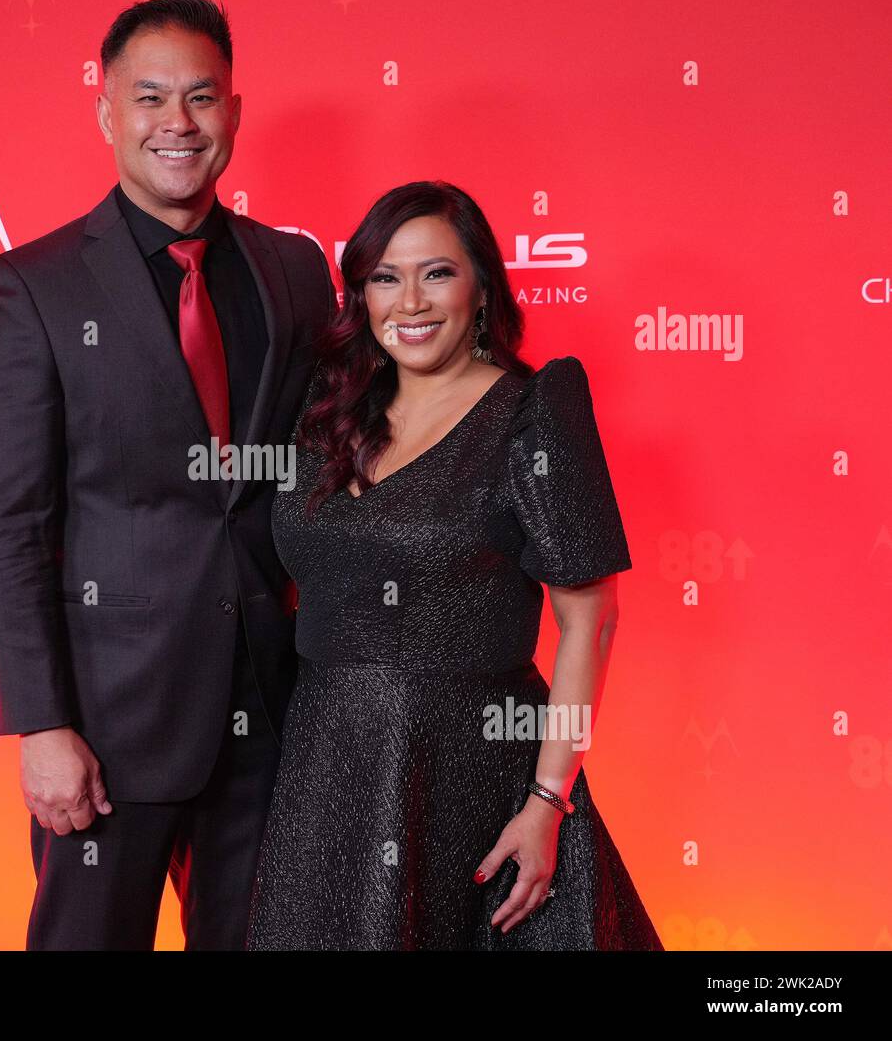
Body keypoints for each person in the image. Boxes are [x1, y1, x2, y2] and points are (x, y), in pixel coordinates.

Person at [0, 0, 336, 950]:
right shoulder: (35, 287)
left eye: (202, 98)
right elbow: (7, 525)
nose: (179, 123)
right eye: (152, 97)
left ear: (234, 115)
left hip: (271, 710)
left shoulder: (292, 271)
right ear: (107, 113)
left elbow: (330, 464)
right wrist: (42, 726)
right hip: (109, 722)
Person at [245, 181, 663, 950]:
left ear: (481, 287)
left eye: (436, 273)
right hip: (325, 760)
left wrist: (547, 800)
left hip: (471, 768)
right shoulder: (326, 409)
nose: (409, 301)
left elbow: (592, 623)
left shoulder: (532, 412)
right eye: (384, 277)